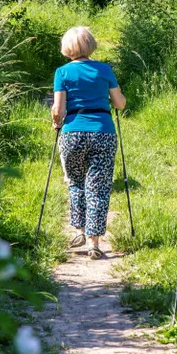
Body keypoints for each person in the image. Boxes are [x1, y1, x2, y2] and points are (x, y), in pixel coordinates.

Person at [51, 26, 127, 259]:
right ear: (90, 44)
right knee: (99, 186)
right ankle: (94, 243)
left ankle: (79, 231)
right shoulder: (104, 69)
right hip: (102, 131)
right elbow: (119, 104)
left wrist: (56, 122)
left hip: (73, 132)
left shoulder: (62, 73)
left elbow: (58, 109)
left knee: (75, 182)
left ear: (67, 48)